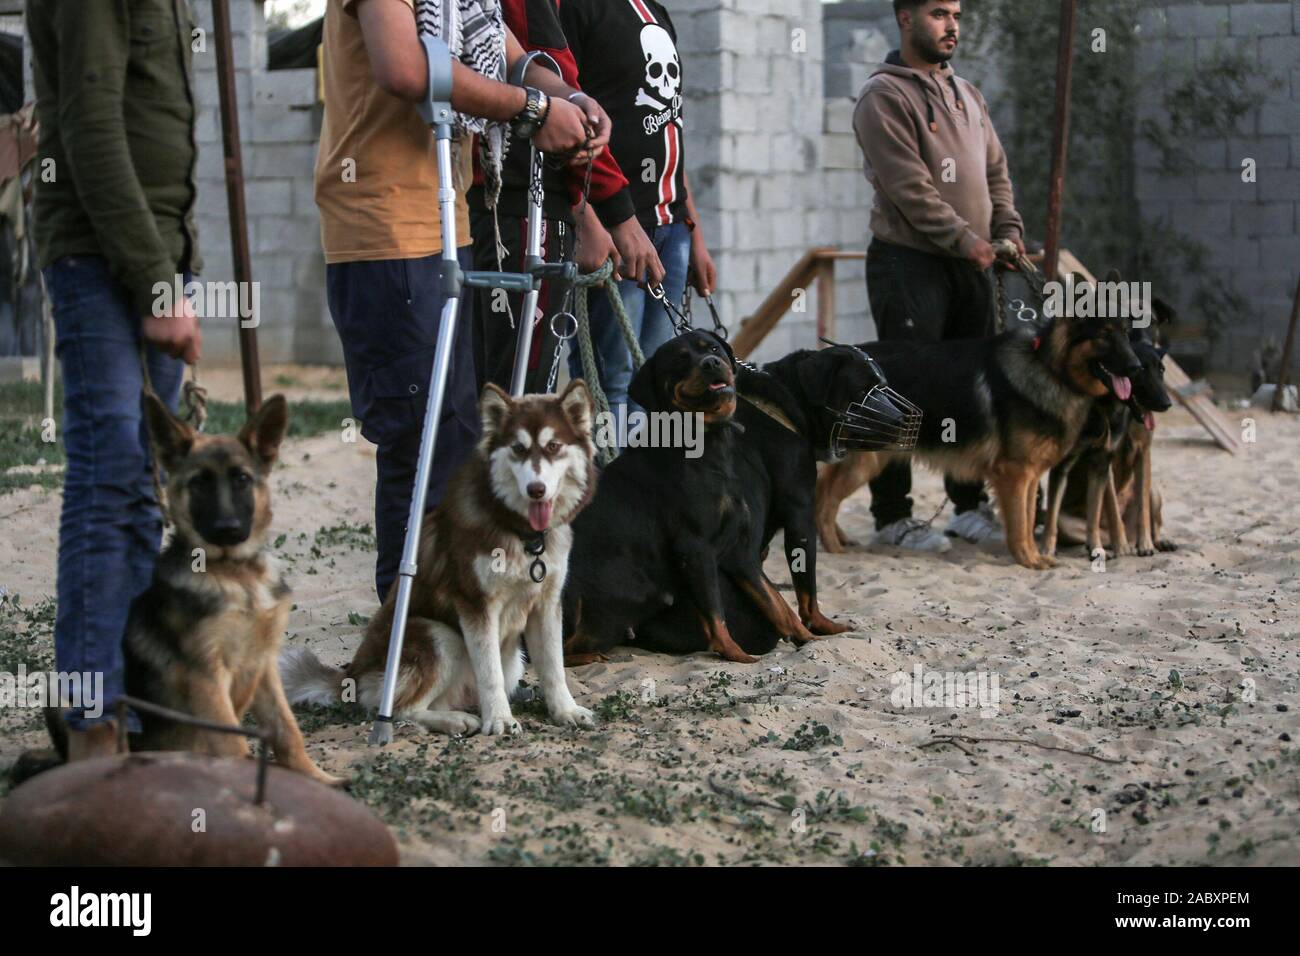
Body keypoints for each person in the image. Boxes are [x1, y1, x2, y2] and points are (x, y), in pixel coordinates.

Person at [316, 0, 604, 601]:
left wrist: (569, 101)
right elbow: (406, 70)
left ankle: (447, 621)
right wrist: (534, 111)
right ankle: (409, 630)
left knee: (454, 439)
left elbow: (518, 59)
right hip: (387, 230)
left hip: (447, 227)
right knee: (422, 440)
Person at [29, 0, 204, 760]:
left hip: (147, 257)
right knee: (109, 483)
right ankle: (93, 724)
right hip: (106, 260)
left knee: (136, 489)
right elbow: (92, 130)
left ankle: (129, 713)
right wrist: (155, 283)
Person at [853, 0, 1025, 552]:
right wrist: (966, 239)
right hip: (910, 264)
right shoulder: (884, 96)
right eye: (937, 13)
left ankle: (968, 507)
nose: (951, 25)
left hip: (972, 263)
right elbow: (909, 189)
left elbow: (995, 169)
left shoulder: (967, 92)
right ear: (905, 18)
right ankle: (891, 518)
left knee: (970, 391)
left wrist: (1008, 228)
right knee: (899, 388)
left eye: (956, 14)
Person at [468, 0, 645, 395]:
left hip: (499, 201)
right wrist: (610, 208)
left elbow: (536, 72)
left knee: (492, 395)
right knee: (519, 398)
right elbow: (548, 78)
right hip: (518, 205)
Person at [559, 0, 716, 415]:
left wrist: (693, 232)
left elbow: (671, 128)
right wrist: (586, 220)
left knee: (662, 379)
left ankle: (646, 480)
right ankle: (609, 479)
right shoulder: (574, 10)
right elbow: (562, 120)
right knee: (611, 377)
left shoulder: (657, 12)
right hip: (617, 228)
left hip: (671, 230)